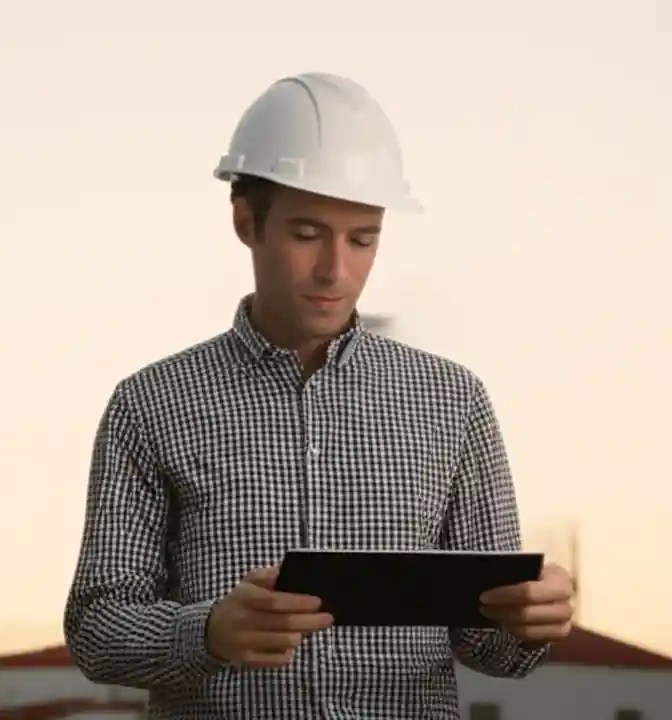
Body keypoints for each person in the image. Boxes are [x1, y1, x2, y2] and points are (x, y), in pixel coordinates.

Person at [62, 72, 576, 718]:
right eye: (307, 235)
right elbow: (96, 626)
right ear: (247, 222)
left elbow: (492, 648)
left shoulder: (454, 402)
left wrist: (530, 621)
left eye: (362, 239)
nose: (336, 269)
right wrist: (208, 633)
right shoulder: (151, 404)